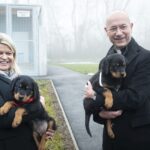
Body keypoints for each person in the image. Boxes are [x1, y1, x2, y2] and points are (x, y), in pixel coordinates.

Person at [84, 11, 150, 150]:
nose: (119, 32)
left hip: (137, 137)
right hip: (111, 140)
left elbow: (135, 97)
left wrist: (96, 98)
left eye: (123, 27)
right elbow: (98, 87)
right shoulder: (106, 59)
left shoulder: (146, 58)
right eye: (113, 28)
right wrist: (99, 113)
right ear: (106, 31)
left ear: (131, 26)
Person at [0, 33, 54, 150]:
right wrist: (39, 106)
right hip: (9, 145)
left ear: (14, 56)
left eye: (8, 53)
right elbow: (4, 119)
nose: (4, 57)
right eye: (0, 53)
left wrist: (43, 130)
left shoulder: (19, 77)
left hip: (31, 142)